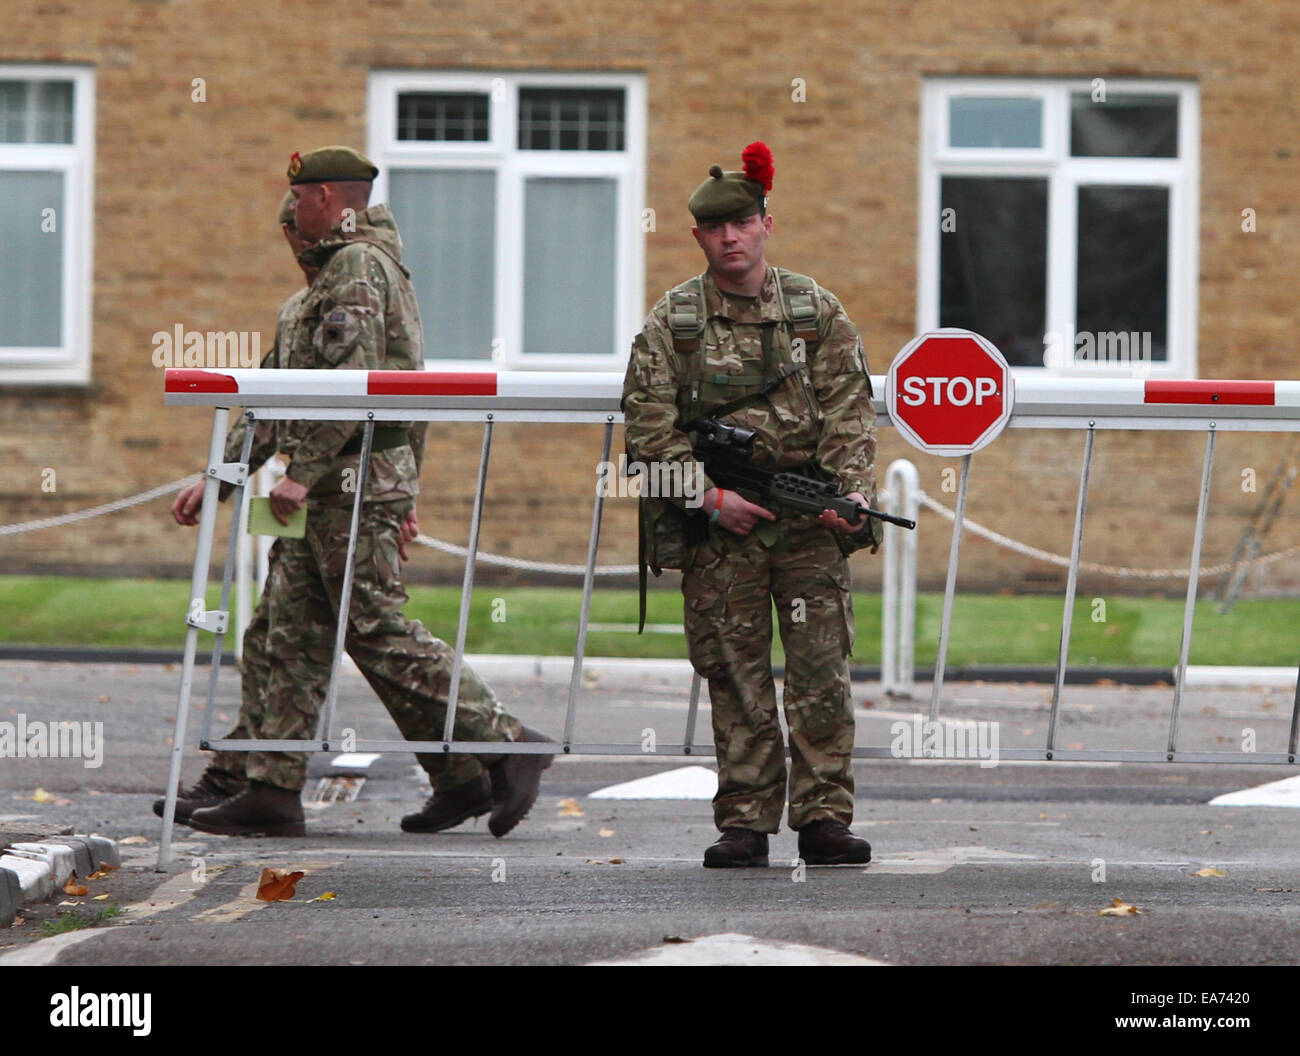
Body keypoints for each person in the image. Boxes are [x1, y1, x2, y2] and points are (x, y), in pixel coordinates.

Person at [163, 148, 552, 837]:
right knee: (283, 635)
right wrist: (220, 479)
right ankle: (269, 786)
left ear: (324, 200)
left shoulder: (359, 267)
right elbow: (271, 401)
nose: (294, 233)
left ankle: (504, 740)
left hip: (343, 486)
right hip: (324, 491)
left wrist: (308, 473)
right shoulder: (314, 294)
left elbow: (361, 384)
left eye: (299, 210)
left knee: (372, 625)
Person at [621, 142, 878, 868]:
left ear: (767, 224)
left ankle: (824, 817)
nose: (730, 238)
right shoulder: (674, 322)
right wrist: (708, 497)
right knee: (734, 673)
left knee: (820, 670)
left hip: (806, 524)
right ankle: (744, 822)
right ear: (698, 237)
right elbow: (647, 434)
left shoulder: (814, 311)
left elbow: (851, 413)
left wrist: (847, 494)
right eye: (715, 229)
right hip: (721, 530)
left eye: (743, 224)